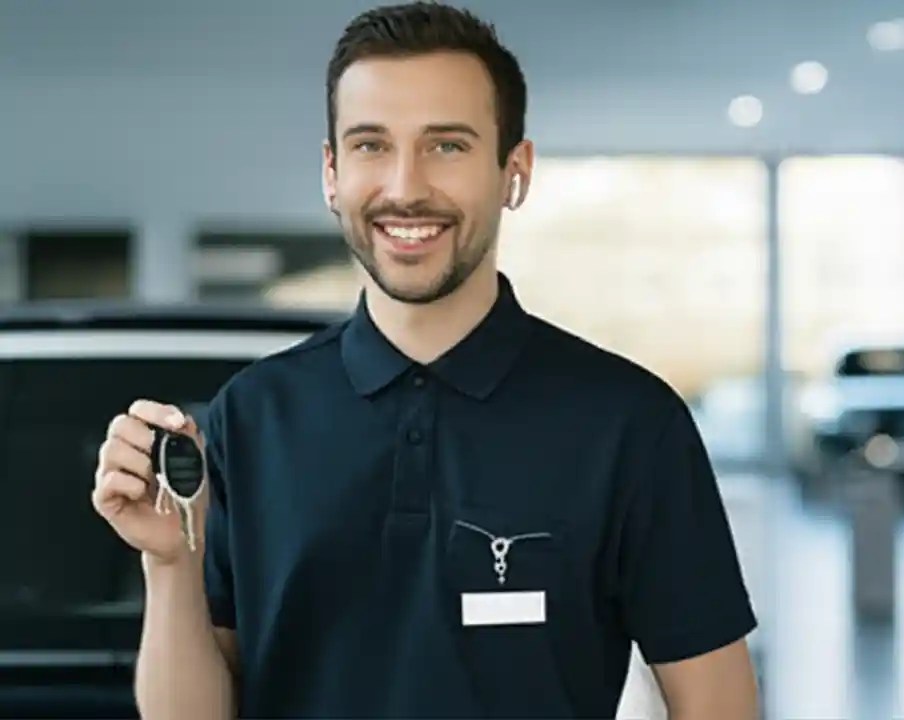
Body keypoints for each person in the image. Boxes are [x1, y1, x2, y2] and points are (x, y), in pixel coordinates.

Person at [89, 2, 760, 718]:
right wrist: (169, 564)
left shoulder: (630, 424)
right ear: (331, 171)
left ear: (515, 171)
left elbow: (718, 705)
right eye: (372, 145)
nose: (405, 186)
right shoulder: (250, 418)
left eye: (447, 146)